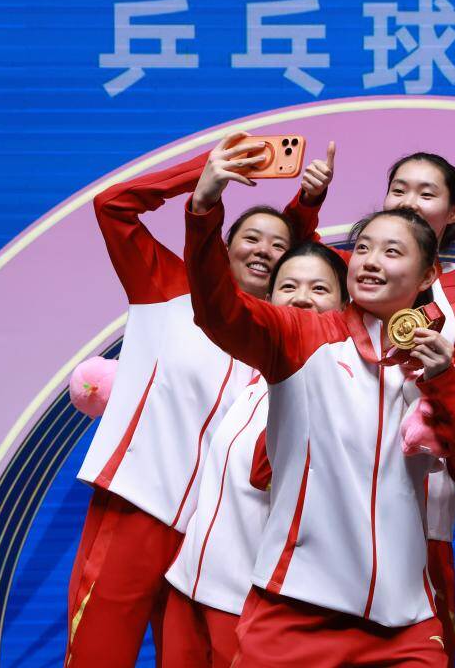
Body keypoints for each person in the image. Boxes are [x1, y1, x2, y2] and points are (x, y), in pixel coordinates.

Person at [184, 133, 455, 668]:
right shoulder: (301, 336)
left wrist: (445, 380)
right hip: (294, 612)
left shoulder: (433, 359)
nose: (371, 262)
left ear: (427, 275)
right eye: (364, 249)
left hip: (405, 625)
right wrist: (204, 208)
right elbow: (219, 309)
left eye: (393, 252)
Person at [66, 143, 312, 667]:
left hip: (217, 534)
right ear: (223, 246)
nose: (264, 250)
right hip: (138, 504)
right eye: (252, 238)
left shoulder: (280, 337)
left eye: (278, 245)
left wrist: (307, 206)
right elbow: (112, 207)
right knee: (99, 656)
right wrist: (200, 177)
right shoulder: (166, 284)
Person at [282, 144, 455, 662]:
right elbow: (302, 270)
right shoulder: (359, 273)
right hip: (325, 494)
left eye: (427, 193)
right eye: (399, 189)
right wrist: (307, 202)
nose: (411, 201)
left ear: (454, 211)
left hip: (420, 505)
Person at [161, 242, 349, 668]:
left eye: (320, 288)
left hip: (246, 605)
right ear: (267, 300)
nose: (302, 297)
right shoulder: (251, 385)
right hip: (188, 586)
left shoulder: (341, 393)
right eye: (288, 286)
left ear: (344, 306)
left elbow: (266, 473)